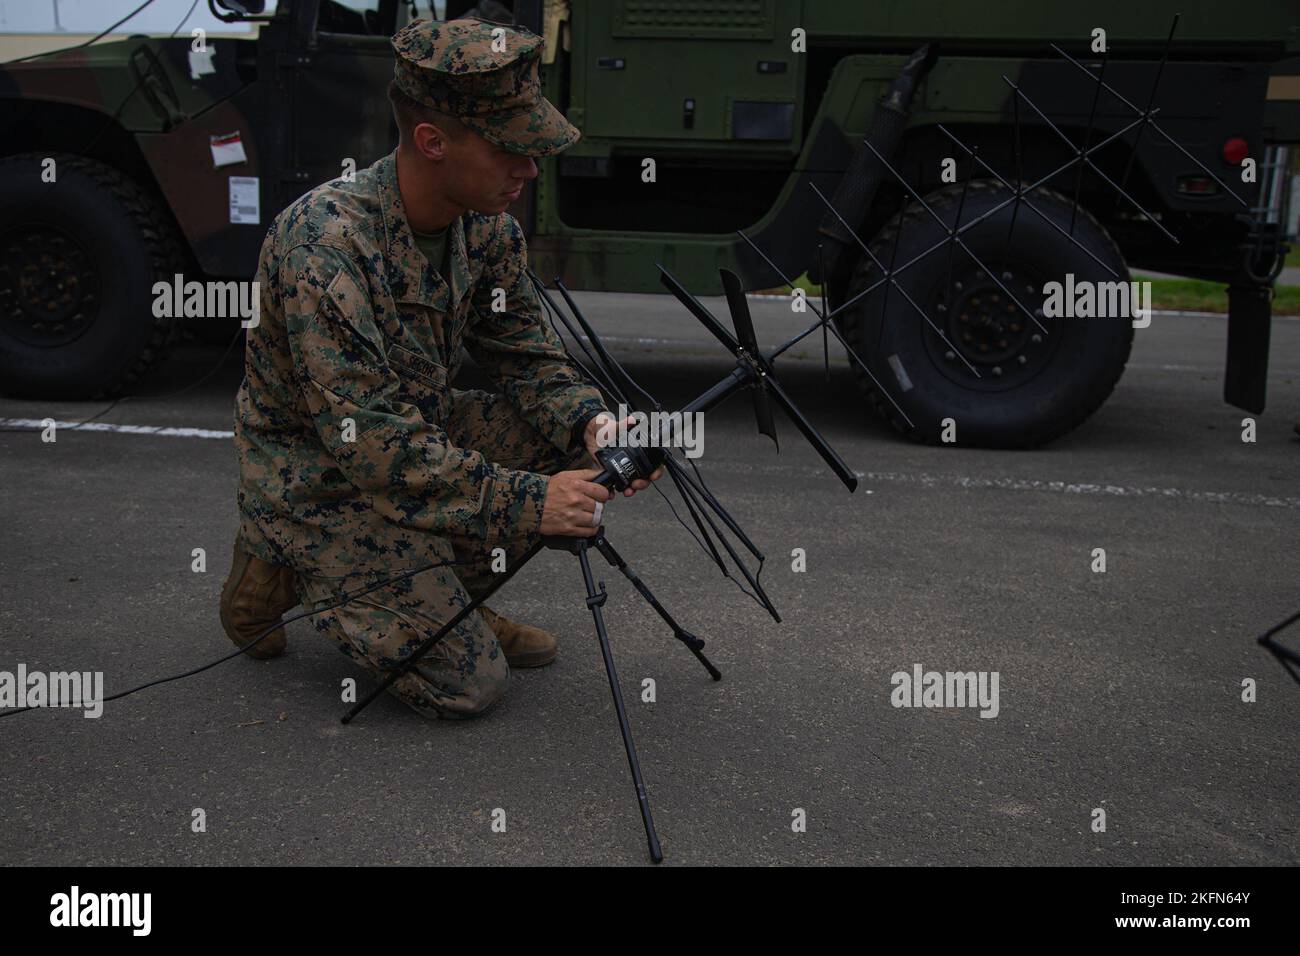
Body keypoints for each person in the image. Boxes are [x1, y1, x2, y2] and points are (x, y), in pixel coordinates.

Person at [220, 17, 659, 719]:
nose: (530, 169)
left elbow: (525, 356)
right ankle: (275, 555)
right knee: (468, 685)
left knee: (560, 441)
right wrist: (531, 505)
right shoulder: (325, 246)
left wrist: (595, 424)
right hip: (320, 477)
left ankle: (443, 604)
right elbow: (372, 445)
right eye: (511, 149)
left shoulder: (485, 224)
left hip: (411, 442)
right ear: (432, 142)